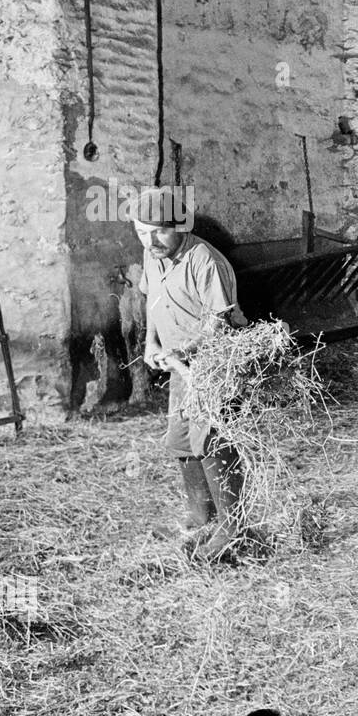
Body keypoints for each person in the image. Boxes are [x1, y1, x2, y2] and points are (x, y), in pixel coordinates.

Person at [127, 185, 251, 562]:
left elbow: (219, 324)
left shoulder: (205, 261)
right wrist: (150, 343)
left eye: (160, 231)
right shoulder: (153, 256)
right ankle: (200, 518)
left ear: (181, 225)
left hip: (214, 365)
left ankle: (233, 528)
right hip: (182, 367)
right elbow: (153, 302)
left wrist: (182, 350)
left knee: (212, 438)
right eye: (142, 231)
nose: (151, 240)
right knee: (181, 438)